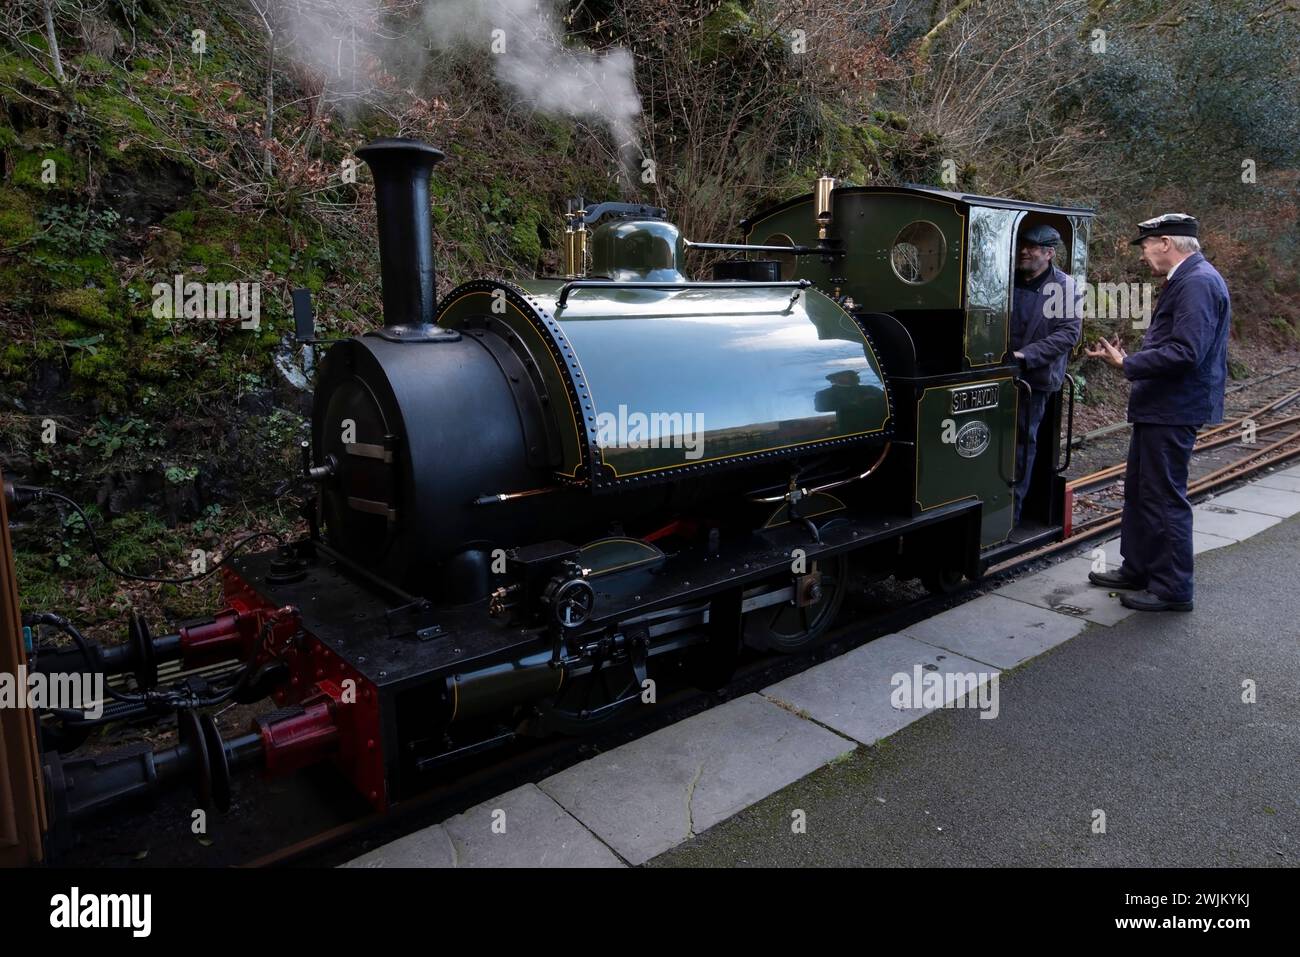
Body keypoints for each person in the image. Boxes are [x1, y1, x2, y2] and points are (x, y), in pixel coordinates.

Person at [1085, 213, 1231, 612]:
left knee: (1164, 497)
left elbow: (1187, 352)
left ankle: (1171, 587)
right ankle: (1139, 567)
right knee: (1141, 490)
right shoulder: (1190, 279)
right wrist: (1133, 358)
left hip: (1174, 408)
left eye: (1147, 246)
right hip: (1161, 407)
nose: (1144, 255)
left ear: (1165, 242)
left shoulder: (1197, 283)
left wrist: (1127, 365)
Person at [1010, 223, 1081, 525]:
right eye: (1023, 245)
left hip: (1033, 381)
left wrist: (1027, 356)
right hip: (996, 374)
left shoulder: (1063, 287)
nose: (1024, 251)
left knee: (1022, 444)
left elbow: (1068, 334)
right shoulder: (1005, 279)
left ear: (1049, 253)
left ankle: (1013, 512)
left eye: (1033, 247)